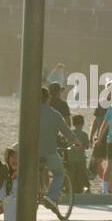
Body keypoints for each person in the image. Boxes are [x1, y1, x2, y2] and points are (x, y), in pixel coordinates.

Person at [38, 86, 81, 214]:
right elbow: (67, 132)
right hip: (48, 151)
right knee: (59, 172)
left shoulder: (29, 111)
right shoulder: (54, 114)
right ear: (48, 99)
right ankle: (51, 197)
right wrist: (77, 142)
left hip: (30, 151)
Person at [67, 114, 91, 193]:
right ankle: (79, 190)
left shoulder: (70, 133)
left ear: (73, 123)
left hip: (71, 158)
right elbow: (87, 146)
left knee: (72, 175)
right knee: (81, 175)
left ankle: (71, 189)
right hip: (81, 158)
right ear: (83, 123)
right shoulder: (84, 134)